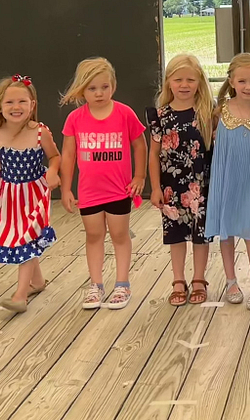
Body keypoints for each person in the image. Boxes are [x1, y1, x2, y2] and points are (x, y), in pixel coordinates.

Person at [0, 75, 60, 312]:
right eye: (9, 103)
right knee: (18, 236)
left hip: (33, 192)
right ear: (0, 106)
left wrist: (53, 172)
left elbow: (55, 156)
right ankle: (36, 282)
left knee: (25, 238)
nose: (16, 108)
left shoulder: (40, 132)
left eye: (22, 102)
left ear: (32, 105)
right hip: (7, 192)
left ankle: (19, 296)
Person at [60, 57, 148, 310]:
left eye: (104, 87)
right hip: (89, 192)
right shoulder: (75, 119)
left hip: (119, 190)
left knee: (120, 235)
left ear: (113, 86)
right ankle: (96, 285)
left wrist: (139, 176)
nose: (99, 93)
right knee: (94, 235)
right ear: (82, 90)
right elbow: (68, 155)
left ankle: (122, 283)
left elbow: (139, 144)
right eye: (92, 88)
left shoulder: (124, 113)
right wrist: (66, 189)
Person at [205, 53, 250, 311]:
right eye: (243, 81)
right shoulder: (219, 111)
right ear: (232, 81)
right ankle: (231, 281)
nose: (248, 86)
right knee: (226, 232)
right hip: (228, 178)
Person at [146, 54, 215, 306]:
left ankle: (199, 278)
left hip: (202, 183)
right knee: (174, 233)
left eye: (190, 79)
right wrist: (154, 188)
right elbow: (153, 155)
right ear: (168, 82)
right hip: (170, 186)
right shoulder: (159, 116)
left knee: (201, 233)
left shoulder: (207, 111)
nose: (184, 84)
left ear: (199, 82)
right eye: (178, 79)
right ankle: (178, 279)